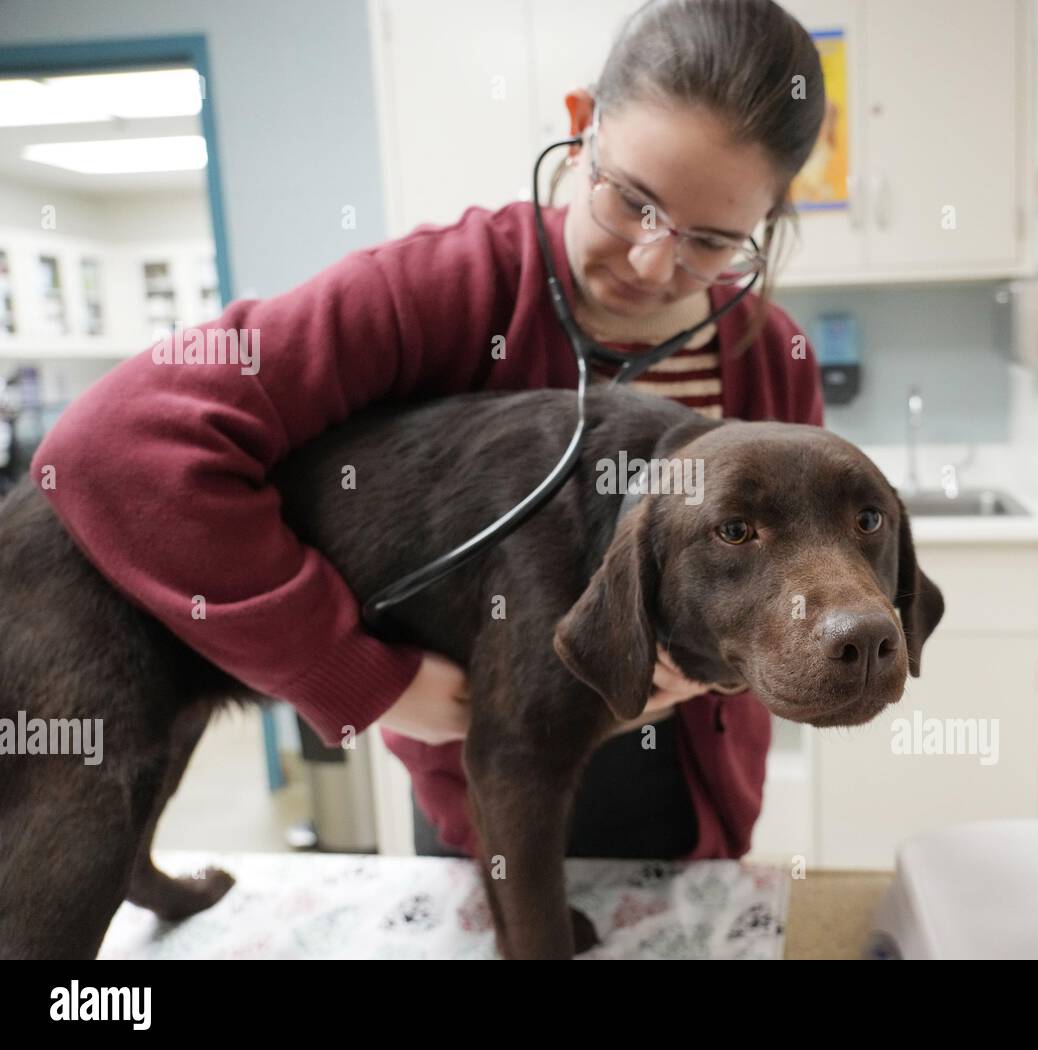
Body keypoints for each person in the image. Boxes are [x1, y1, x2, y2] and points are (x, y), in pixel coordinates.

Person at [29, 0, 827, 862]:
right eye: (630, 199)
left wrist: (719, 658)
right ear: (580, 127)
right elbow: (112, 446)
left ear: (772, 218)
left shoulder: (772, 359)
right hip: (479, 787)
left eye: (711, 239)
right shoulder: (436, 292)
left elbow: (787, 574)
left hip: (689, 794)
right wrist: (356, 676)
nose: (652, 262)